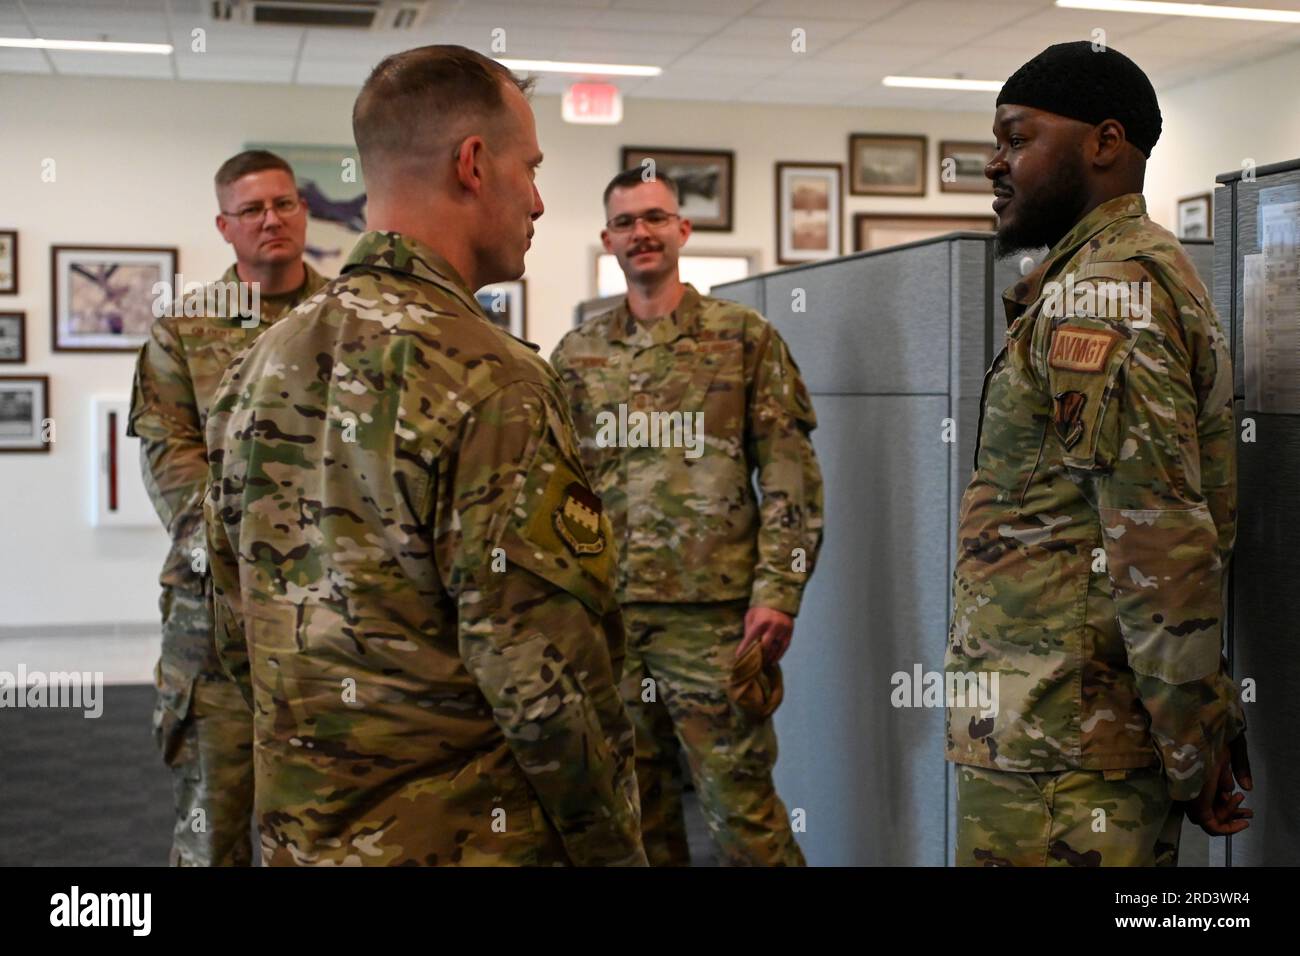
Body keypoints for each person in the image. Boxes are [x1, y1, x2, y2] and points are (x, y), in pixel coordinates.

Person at [203, 45, 645, 867]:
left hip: (304, 840)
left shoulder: (255, 366)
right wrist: (617, 853)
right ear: (474, 164)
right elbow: (545, 689)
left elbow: (233, 632)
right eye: (532, 166)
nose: (541, 200)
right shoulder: (495, 381)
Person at [947, 41, 1251, 867]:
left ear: (1104, 143)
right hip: (1062, 737)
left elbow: (1158, 539)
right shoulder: (1105, 277)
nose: (993, 164)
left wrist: (1196, 743)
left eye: (1016, 138)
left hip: (1065, 754)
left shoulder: (1103, 295)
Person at [550, 168, 823, 866]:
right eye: (625, 223)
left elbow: (790, 470)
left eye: (655, 218)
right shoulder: (577, 355)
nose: (641, 233)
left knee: (742, 816)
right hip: (611, 623)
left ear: (683, 230)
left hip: (714, 619)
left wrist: (779, 590)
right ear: (607, 239)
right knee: (635, 818)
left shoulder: (742, 338)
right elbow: (557, 489)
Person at [128, 149, 328, 866]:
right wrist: (257, 553)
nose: (272, 220)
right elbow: (171, 466)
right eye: (253, 210)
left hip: (337, 624)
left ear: (304, 211)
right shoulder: (183, 332)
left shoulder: (350, 321)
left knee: (331, 830)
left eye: (285, 203)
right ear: (224, 225)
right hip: (217, 620)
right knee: (213, 828)